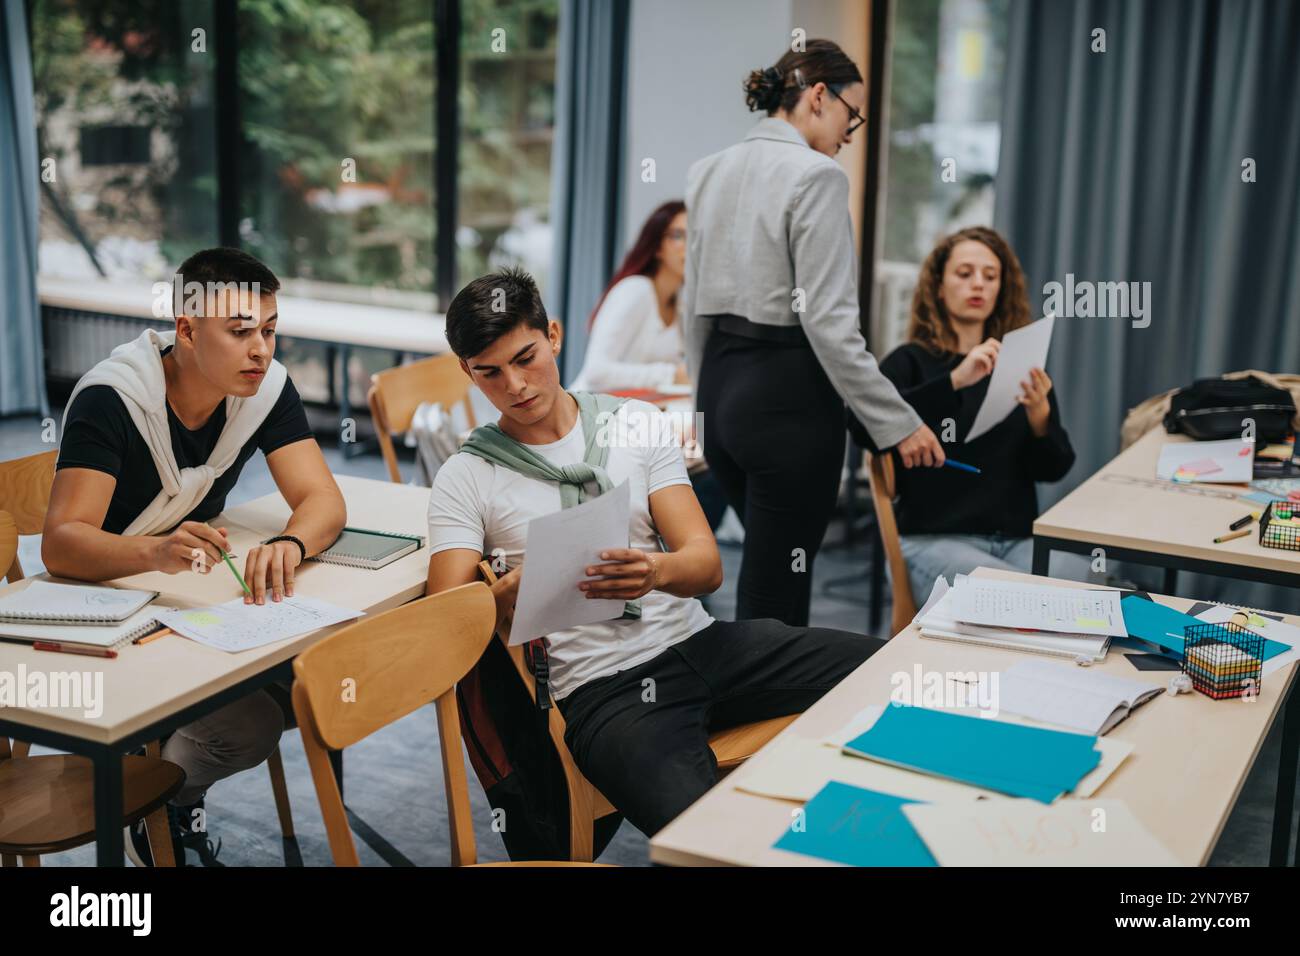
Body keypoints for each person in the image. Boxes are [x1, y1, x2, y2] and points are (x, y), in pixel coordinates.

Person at [426, 268, 882, 838]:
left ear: (556, 336)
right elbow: (443, 628)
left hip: (703, 643)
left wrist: (654, 570)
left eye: (526, 357)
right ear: (467, 372)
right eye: (489, 373)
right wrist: (503, 597)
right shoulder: (467, 475)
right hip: (604, 691)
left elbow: (706, 566)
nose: (515, 386)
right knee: (705, 834)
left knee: (893, 674)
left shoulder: (635, 423)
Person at [43, 247, 347, 865]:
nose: (260, 349)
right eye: (240, 333)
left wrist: (290, 542)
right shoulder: (113, 398)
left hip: (185, 597)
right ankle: (161, 807)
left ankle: (165, 783)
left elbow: (322, 499)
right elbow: (61, 543)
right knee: (251, 726)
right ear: (186, 329)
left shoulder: (263, 388)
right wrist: (155, 549)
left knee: (317, 681)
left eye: (268, 329)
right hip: (107, 608)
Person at [683, 39, 944, 627]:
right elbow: (829, 324)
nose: (850, 134)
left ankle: (755, 709)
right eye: (852, 116)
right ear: (818, 96)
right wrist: (898, 424)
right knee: (777, 601)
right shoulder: (816, 176)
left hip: (722, 392)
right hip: (786, 401)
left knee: (766, 577)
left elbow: (690, 305)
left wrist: (706, 407)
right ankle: (765, 713)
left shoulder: (708, 170)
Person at [857, 226, 1076, 601]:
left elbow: (1053, 469)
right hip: (935, 540)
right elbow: (863, 427)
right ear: (939, 287)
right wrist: (955, 381)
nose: (979, 284)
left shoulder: (1019, 364)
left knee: (1099, 583)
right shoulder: (910, 362)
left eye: (990, 276)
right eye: (964, 274)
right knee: (1023, 598)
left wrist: (1041, 419)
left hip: (1016, 541)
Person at [571, 200, 727, 530]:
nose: (689, 247)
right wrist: (670, 374)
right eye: (678, 236)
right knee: (709, 467)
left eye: (695, 237)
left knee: (716, 453)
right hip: (593, 419)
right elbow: (598, 371)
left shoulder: (680, 304)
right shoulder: (634, 291)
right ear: (656, 245)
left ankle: (681, 556)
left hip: (635, 416)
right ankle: (679, 555)